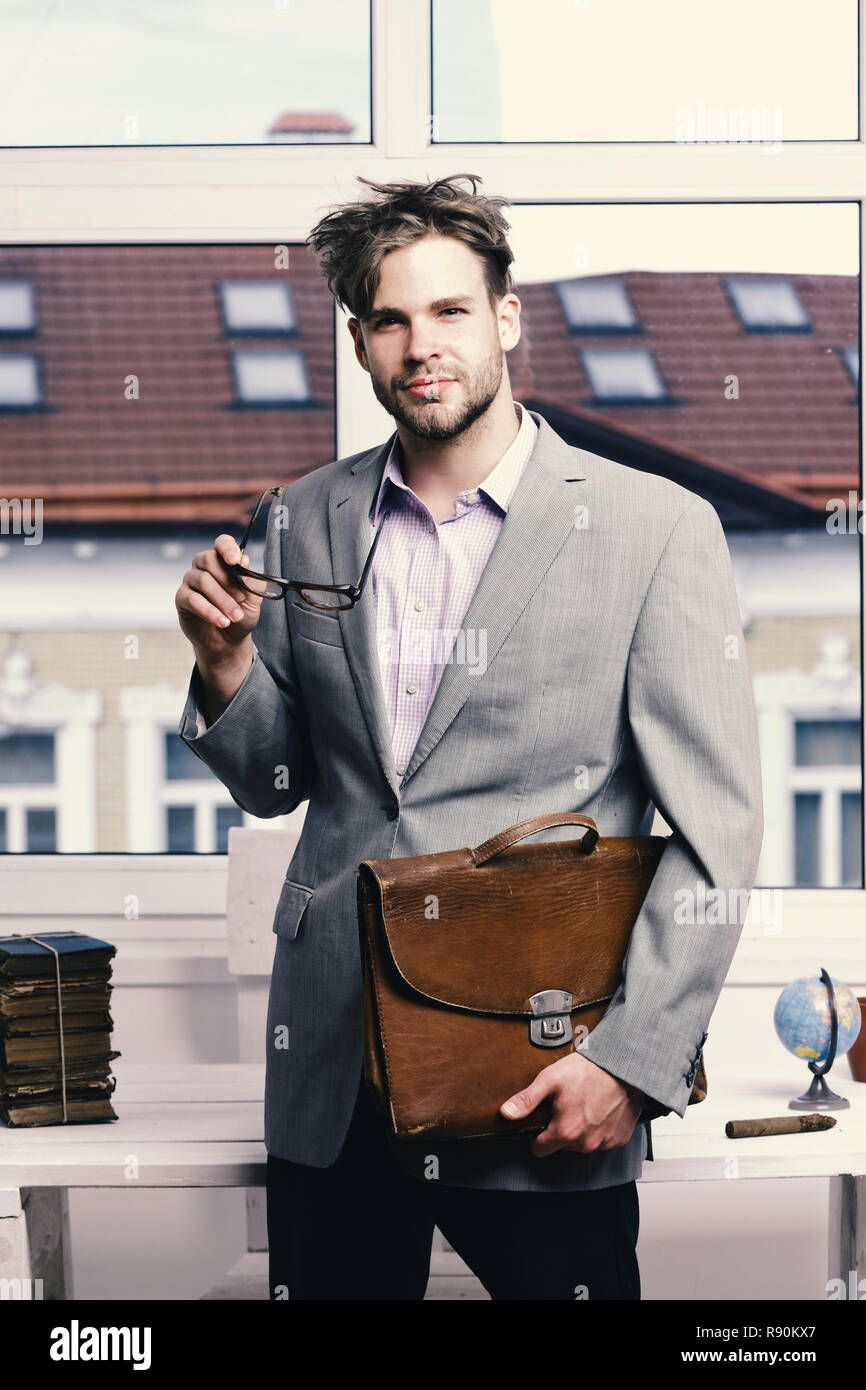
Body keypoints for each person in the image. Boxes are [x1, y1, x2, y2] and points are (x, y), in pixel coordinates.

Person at [175, 173, 763, 1300]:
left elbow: (716, 834)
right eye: (390, 319)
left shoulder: (652, 528)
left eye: (448, 311)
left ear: (504, 317)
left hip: (539, 1065)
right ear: (359, 344)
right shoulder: (303, 516)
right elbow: (275, 782)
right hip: (335, 1070)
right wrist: (226, 665)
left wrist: (630, 1066)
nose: (420, 345)